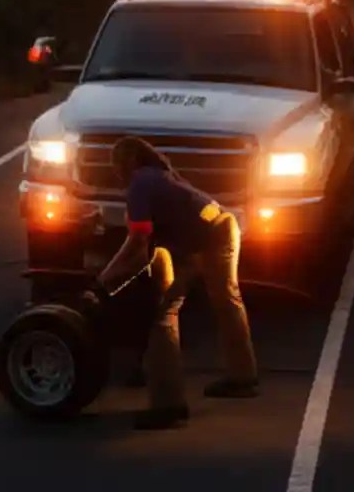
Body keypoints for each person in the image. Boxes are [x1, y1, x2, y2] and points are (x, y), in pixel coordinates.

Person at [97, 136, 259, 430]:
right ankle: (241, 377)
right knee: (212, 303)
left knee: (167, 314)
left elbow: (137, 241)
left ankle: (170, 404)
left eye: (117, 163)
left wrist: (106, 278)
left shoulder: (140, 183)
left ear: (131, 161)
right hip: (211, 230)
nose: (114, 170)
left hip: (212, 237)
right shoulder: (156, 176)